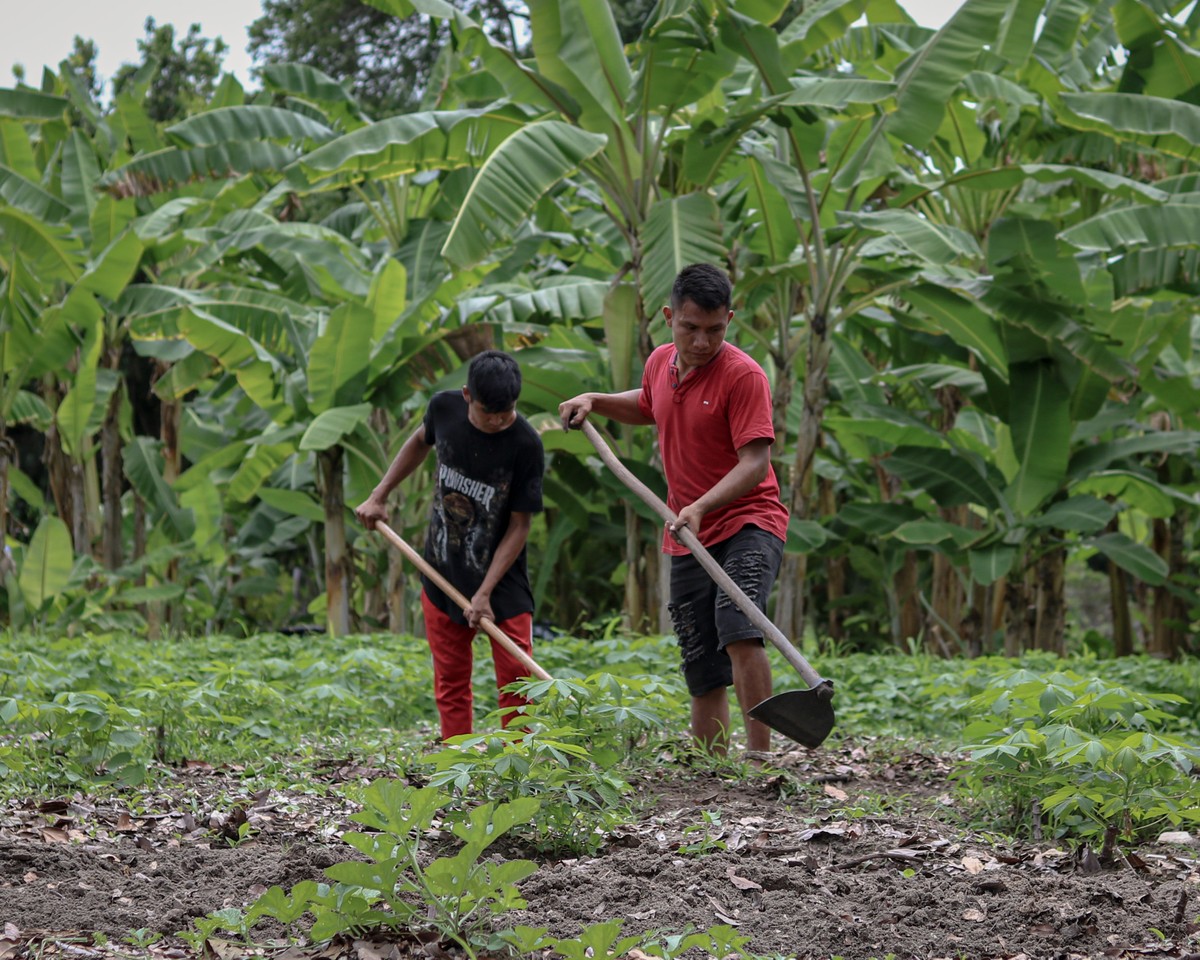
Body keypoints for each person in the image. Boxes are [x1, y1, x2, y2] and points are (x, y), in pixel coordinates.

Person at [559, 263, 788, 757]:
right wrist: (595, 400)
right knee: (699, 654)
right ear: (669, 317)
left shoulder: (744, 376)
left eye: (714, 330)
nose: (702, 342)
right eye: (690, 328)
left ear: (730, 318)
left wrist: (703, 504)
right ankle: (713, 767)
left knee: (740, 628)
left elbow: (755, 462)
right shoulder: (661, 362)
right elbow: (647, 404)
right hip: (688, 532)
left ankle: (761, 760)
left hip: (748, 521)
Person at [356, 350, 545, 740]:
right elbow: (419, 441)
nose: (496, 421)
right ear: (466, 396)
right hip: (442, 569)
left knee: (517, 682)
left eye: (504, 413)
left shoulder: (526, 444)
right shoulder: (443, 409)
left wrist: (485, 593)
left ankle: (519, 767)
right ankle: (457, 764)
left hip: (502, 582)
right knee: (451, 681)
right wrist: (380, 495)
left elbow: (519, 526)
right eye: (486, 412)